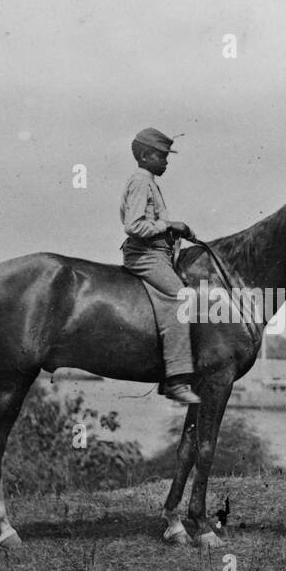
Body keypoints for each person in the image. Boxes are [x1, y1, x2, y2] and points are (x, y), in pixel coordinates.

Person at [120, 128, 200, 405]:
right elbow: (134, 225)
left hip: (159, 253)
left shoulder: (149, 181)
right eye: (162, 156)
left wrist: (177, 232)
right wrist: (169, 225)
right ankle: (176, 380)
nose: (166, 161)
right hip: (145, 255)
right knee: (181, 299)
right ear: (145, 155)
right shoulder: (141, 182)